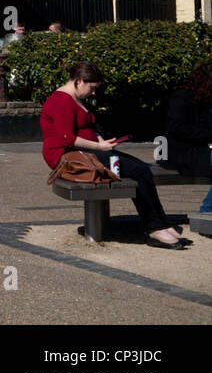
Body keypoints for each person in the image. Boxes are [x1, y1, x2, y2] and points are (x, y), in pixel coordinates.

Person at [41, 62, 189, 248]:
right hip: (69, 156)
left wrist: (104, 144)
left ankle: (160, 223)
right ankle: (155, 227)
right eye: (92, 88)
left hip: (88, 151)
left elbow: (89, 128)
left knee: (142, 168)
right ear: (79, 81)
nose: (93, 93)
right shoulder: (62, 100)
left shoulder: (75, 98)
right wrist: (99, 146)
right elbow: (67, 138)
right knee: (138, 170)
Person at [163, 63, 212, 215]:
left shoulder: (206, 99)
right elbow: (177, 129)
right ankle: (207, 212)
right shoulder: (183, 97)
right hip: (184, 152)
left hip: (202, 148)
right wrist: (208, 134)